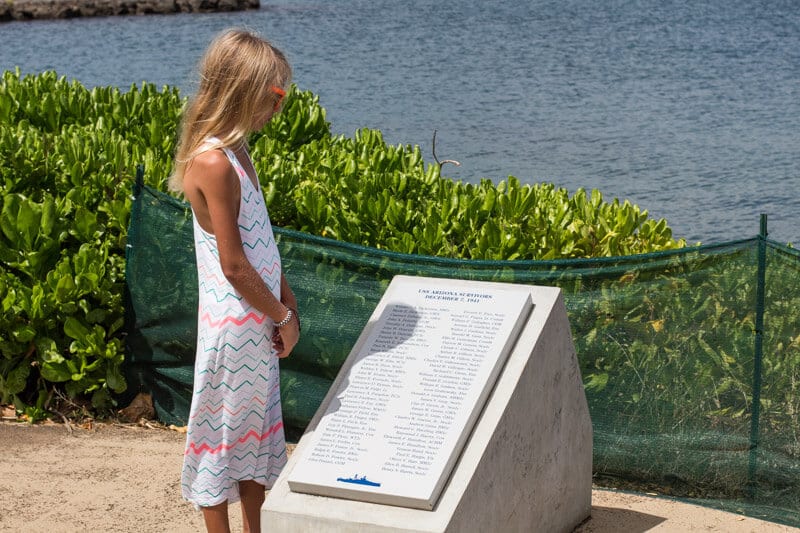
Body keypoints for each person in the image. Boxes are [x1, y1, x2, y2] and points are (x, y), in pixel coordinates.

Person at [168, 28, 300, 533]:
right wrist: (283, 314)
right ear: (244, 89)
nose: (279, 106)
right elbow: (235, 264)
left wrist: (287, 307)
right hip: (236, 327)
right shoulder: (214, 161)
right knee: (220, 445)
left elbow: (264, 241)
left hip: (257, 321)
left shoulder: (237, 151)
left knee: (254, 446)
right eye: (277, 94)